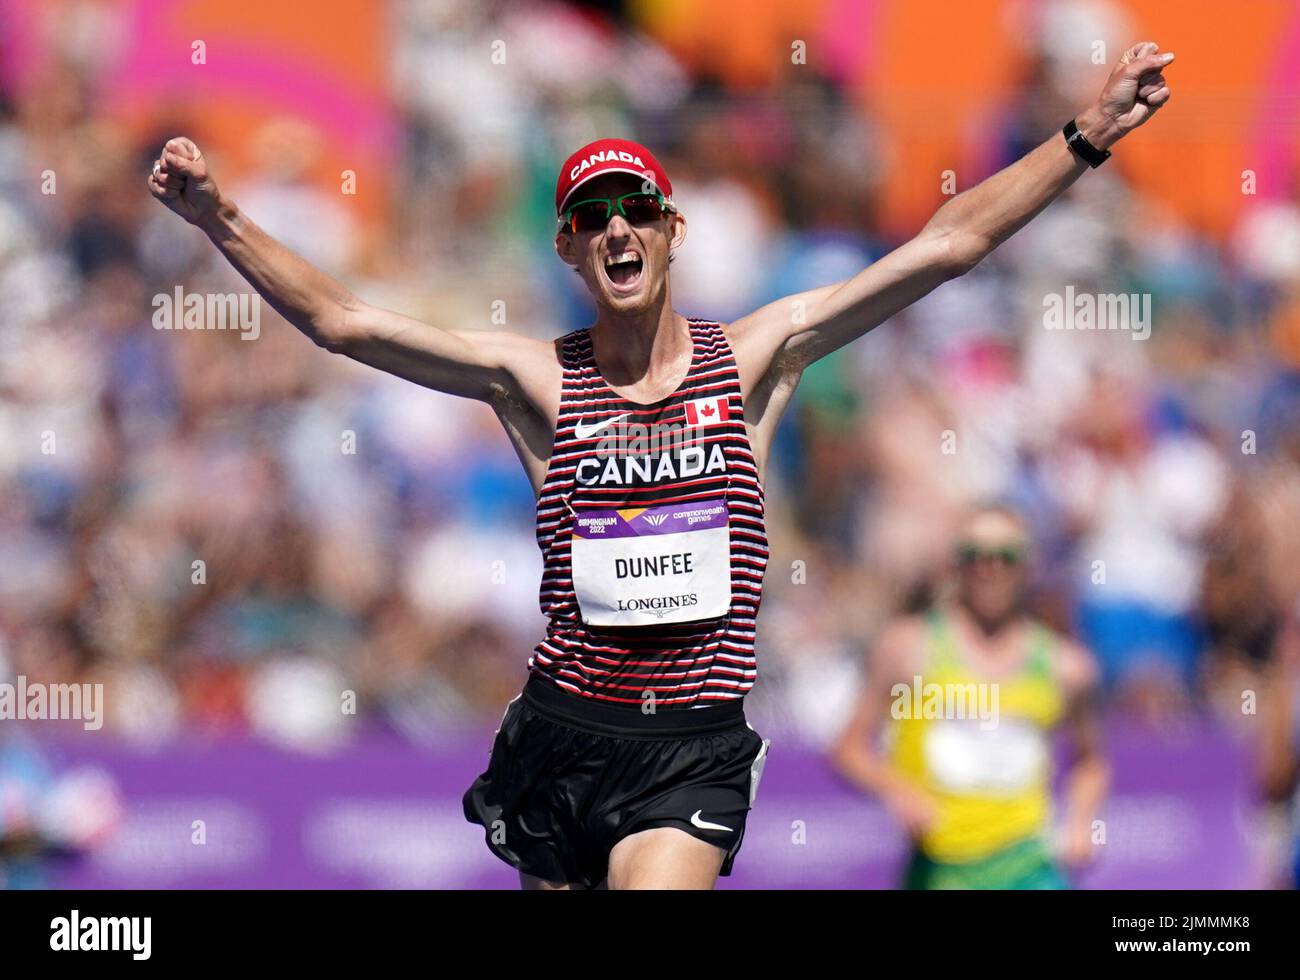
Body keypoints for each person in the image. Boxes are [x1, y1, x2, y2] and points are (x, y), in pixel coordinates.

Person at [147, 43, 1173, 890]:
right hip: (563, 731)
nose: (617, 229)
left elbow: (945, 247)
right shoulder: (532, 379)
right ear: (567, 249)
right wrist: (217, 218)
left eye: (635, 208)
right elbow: (341, 322)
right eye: (592, 219)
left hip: (692, 742)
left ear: (672, 230)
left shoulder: (758, 354)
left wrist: (1083, 138)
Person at [831, 505, 1108, 888]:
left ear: (1027, 567)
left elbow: (1090, 762)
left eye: (1005, 557)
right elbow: (849, 747)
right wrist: (897, 789)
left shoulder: (1066, 667)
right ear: (955, 565)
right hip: (941, 867)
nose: (989, 569)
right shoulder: (908, 649)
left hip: (1030, 867)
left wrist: (1081, 822)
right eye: (974, 556)